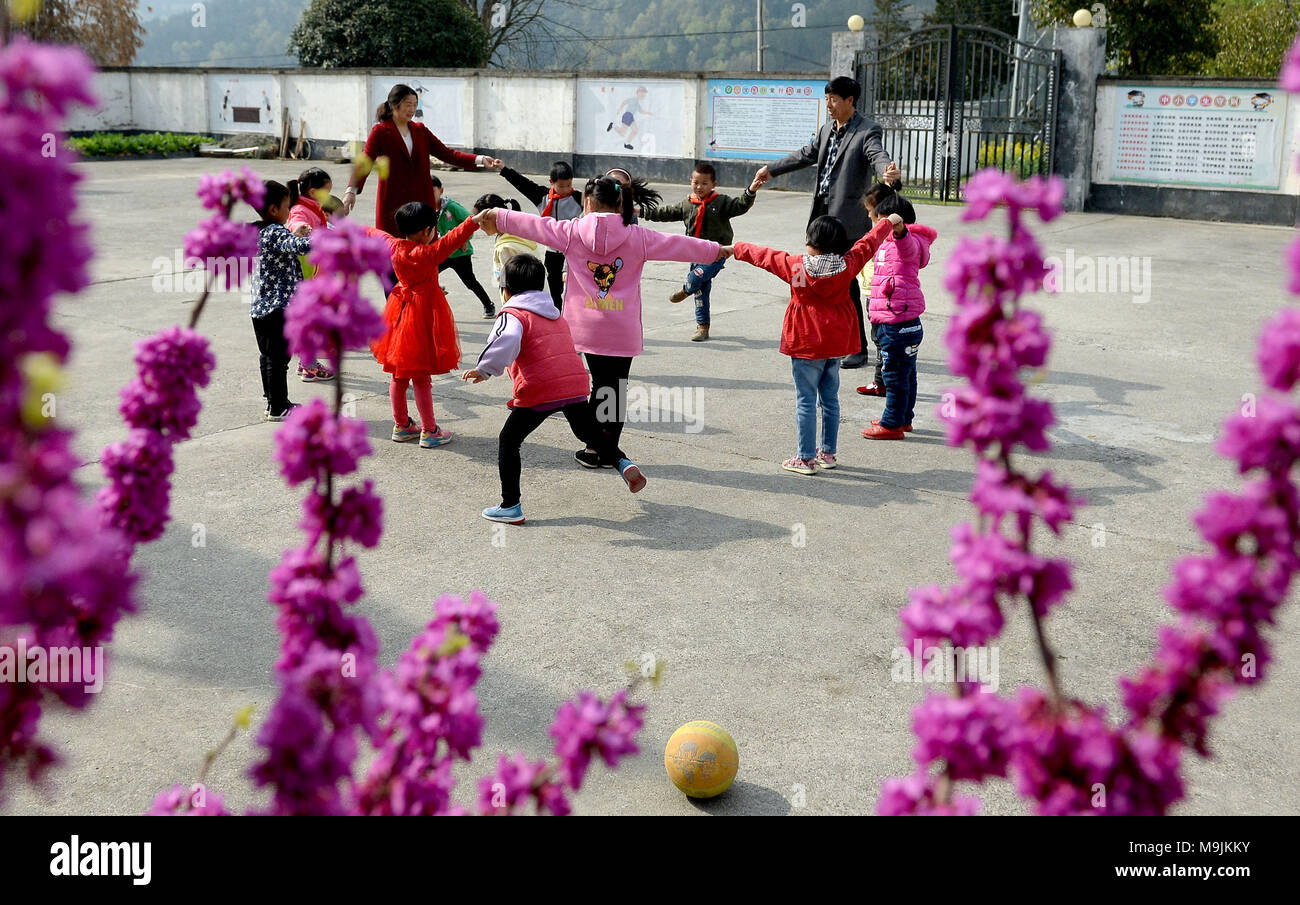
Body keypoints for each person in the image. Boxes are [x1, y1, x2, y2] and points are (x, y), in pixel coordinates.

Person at [475, 175, 719, 469]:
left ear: (588, 202)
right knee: (614, 388)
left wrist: (497, 214)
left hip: (584, 327)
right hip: (622, 330)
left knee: (593, 385)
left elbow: (533, 225)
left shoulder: (571, 231)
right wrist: (719, 250)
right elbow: (679, 245)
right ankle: (606, 448)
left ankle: (595, 447)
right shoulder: (638, 235)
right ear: (620, 203)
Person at [462, 254, 646, 525]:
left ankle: (510, 505)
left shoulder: (513, 313)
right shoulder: (554, 312)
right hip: (573, 384)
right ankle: (621, 462)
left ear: (506, 289)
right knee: (587, 432)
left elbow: (507, 338)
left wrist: (485, 368)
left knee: (509, 441)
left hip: (540, 388)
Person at [721, 212, 901, 474]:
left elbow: (764, 256)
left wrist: (734, 249)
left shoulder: (796, 267)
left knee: (806, 400)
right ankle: (827, 453)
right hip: (835, 341)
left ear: (811, 242)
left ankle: (805, 458)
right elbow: (869, 242)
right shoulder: (848, 264)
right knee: (830, 399)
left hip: (806, 341)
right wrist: (888, 221)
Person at [754, 76, 902, 369]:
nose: (829, 106)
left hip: (847, 222)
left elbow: (877, 154)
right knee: (813, 280)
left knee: (846, 286)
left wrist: (887, 171)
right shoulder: (826, 130)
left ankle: (857, 348)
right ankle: (824, 339)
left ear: (850, 101)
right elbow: (806, 155)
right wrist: (771, 170)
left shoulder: (866, 130)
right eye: (827, 100)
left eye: (834, 100)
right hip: (821, 218)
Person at [367, 201, 479, 449]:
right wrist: (474, 221)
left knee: (398, 374)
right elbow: (452, 239)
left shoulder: (394, 246)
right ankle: (429, 431)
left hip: (398, 312)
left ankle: (402, 425)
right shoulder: (426, 254)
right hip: (419, 317)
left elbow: (374, 233)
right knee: (421, 377)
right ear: (426, 231)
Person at [342, 83, 503, 234]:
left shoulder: (420, 130)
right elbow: (365, 162)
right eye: (408, 104)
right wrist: (351, 191)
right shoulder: (380, 132)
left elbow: (448, 154)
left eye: (415, 104)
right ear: (393, 105)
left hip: (422, 200)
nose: (412, 109)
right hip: (393, 201)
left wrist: (480, 159)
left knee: (425, 250)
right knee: (394, 250)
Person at [642, 162, 767, 342]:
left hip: (717, 253)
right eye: (696, 182)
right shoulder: (687, 204)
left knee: (695, 278)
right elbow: (665, 213)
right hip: (695, 253)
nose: (699, 187)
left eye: (704, 183)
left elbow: (740, 205)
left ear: (713, 184)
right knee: (701, 292)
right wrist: (639, 212)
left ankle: (686, 289)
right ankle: (702, 327)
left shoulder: (721, 201)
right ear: (691, 181)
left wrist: (751, 190)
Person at [861, 191, 937, 440]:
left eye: (883, 222)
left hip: (898, 323)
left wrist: (899, 230)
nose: (878, 227)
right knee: (906, 373)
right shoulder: (889, 243)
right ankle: (903, 418)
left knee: (894, 375)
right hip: (897, 321)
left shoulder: (907, 241)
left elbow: (907, 248)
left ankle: (892, 423)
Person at [249, 181, 312, 422]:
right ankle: (278, 408)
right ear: (274, 209)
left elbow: (284, 245)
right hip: (278, 307)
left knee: (268, 357)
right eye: (287, 207)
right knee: (279, 358)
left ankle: (274, 401)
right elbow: (298, 246)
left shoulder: (258, 231)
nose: (289, 212)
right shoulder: (275, 231)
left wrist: (293, 235)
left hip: (260, 307)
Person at [497, 160, 583, 310]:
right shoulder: (542, 197)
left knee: (576, 291)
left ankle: (575, 318)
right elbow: (522, 183)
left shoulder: (579, 198)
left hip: (573, 252)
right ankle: (558, 316)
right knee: (555, 291)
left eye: (569, 185)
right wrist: (503, 169)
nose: (565, 189)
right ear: (551, 182)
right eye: (561, 186)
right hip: (552, 254)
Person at [285, 166, 337, 383]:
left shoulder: (312, 207)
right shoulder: (301, 210)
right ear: (314, 192)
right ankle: (309, 366)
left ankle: (305, 360)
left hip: (315, 273)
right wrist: (300, 228)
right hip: (307, 276)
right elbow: (295, 223)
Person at [854, 181, 900, 397]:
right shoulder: (882, 229)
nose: (870, 216)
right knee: (881, 339)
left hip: (880, 295)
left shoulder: (890, 234)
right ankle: (884, 380)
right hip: (872, 292)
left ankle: (881, 382)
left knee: (881, 340)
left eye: (872, 212)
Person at [430, 174, 496, 320]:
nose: (429, 194)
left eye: (433, 191)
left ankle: (488, 304)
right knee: (427, 274)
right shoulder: (427, 210)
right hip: (442, 253)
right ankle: (436, 292)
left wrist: (464, 238)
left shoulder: (451, 207)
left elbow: (471, 221)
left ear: (441, 191)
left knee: (470, 282)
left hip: (460, 254)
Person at [472, 193, 539, 306]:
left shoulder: (506, 248)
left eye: (482, 221)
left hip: (521, 305)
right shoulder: (517, 233)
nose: (480, 226)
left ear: (494, 217)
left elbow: (513, 285)